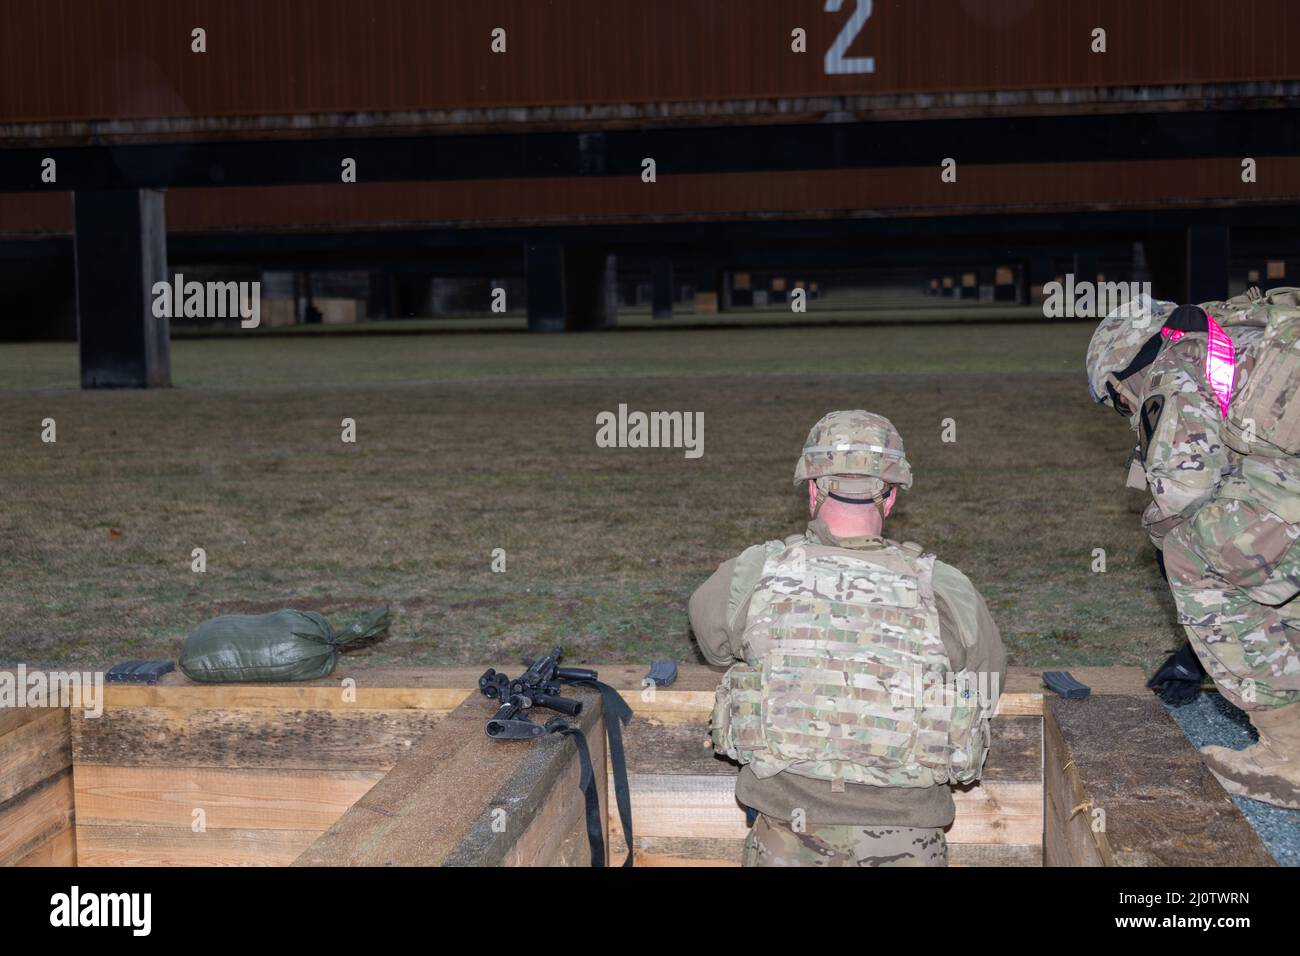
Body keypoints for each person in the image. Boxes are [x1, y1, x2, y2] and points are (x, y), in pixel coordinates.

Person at [689, 410, 1005, 866]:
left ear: (813, 490)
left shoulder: (755, 573)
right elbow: (985, 688)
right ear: (890, 497)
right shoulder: (945, 587)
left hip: (786, 836)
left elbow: (713, 644)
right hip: (909, 841)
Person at [1085, 288, 1300, 809]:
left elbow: (1182, 488)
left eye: (1118, 402)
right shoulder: (1248, 335)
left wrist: (1159, 534)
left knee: (1193, 547)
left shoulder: (1175, 369)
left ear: (1120, 375)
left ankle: (1289, 757)